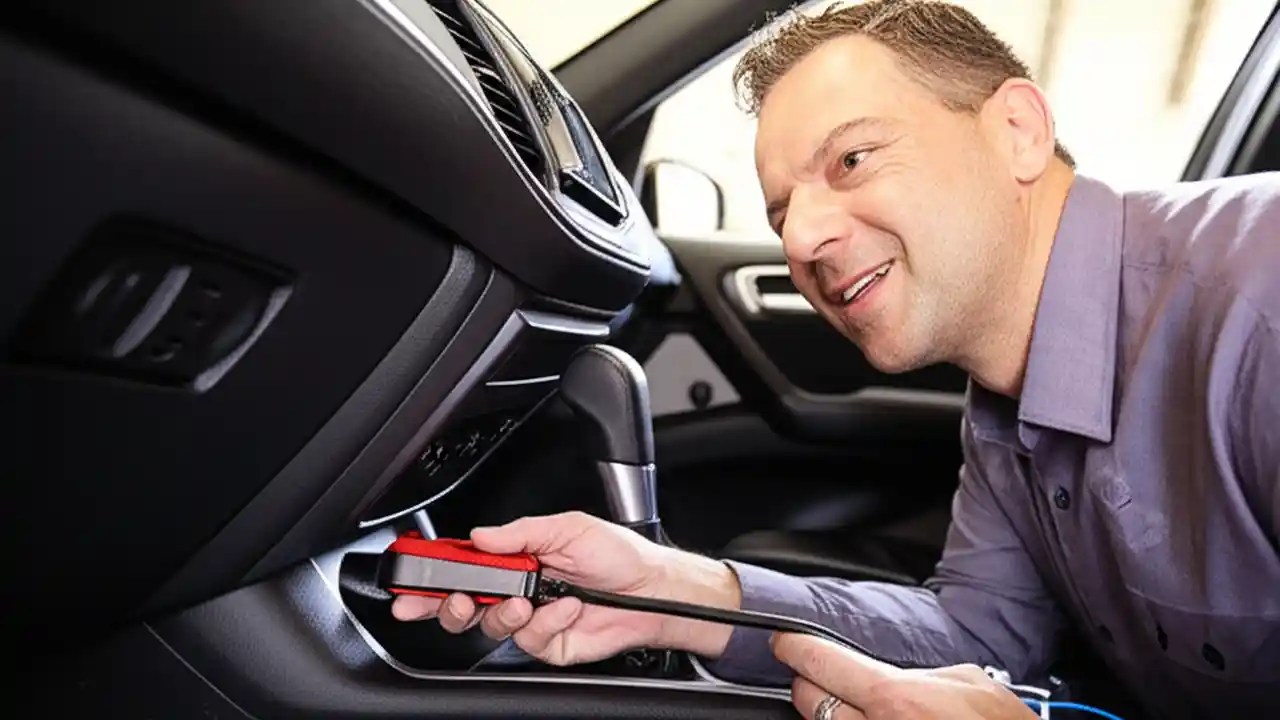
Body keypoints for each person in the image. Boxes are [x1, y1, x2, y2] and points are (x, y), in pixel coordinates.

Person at [393, 1, 1280, 718]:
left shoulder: (1262, 303)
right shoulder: (1006, 397)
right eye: (782, 214)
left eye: (853, 159)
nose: (805, 238)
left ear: (1017, 129)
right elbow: (978, 636)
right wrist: (671, 589)